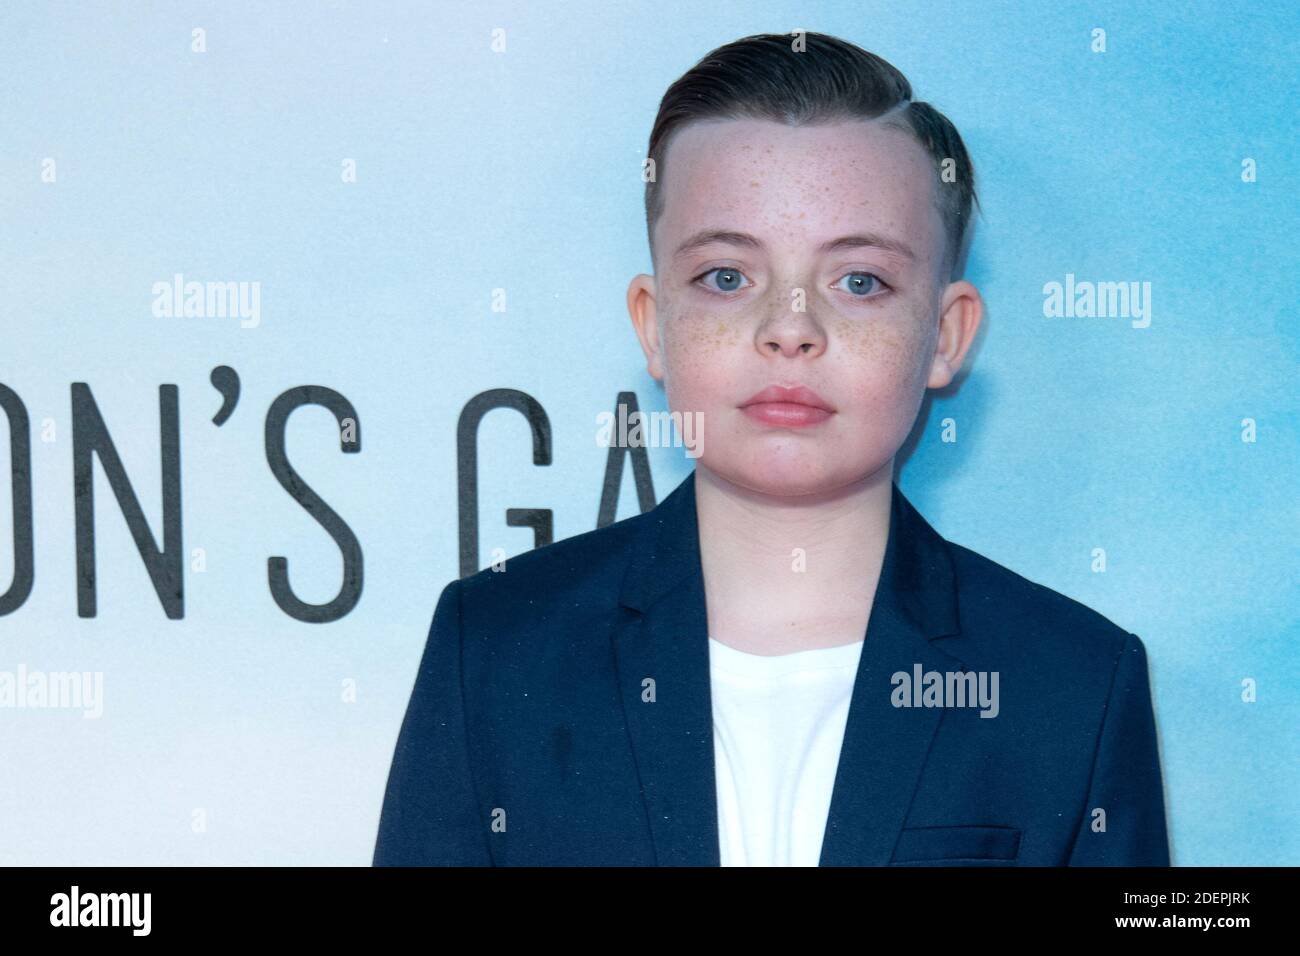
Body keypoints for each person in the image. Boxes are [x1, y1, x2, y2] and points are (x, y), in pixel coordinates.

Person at [373, 31, 1170, 866]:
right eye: (727, 277)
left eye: (859, 282)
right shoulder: (496, 648)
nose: (790, 328)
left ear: (945, 334)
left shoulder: (1071, 683)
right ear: (654, 325)